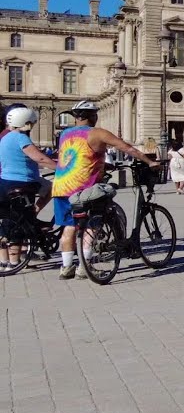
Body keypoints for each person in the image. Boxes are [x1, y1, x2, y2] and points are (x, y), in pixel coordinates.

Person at [51, 101, 159, 279]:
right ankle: (84, 267)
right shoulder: (97, 133)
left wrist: (103, 164)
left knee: (68, 227)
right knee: (92, 226)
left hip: (62, 186)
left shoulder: (65, 133)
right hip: (84, 188)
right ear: (92, 116)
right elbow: (126, 147)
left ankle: (66, 267)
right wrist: (149, 162)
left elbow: (79, 156)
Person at [0, 107, 58, 271]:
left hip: (4, 182)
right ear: (26, 123)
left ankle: (4, 262)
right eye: (31, 123)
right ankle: (14, 262)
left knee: (8, 220)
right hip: (24, 183)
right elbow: (38, 157)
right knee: (53, 187)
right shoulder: (20, 138)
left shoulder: (5, 138)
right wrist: (61, 167)